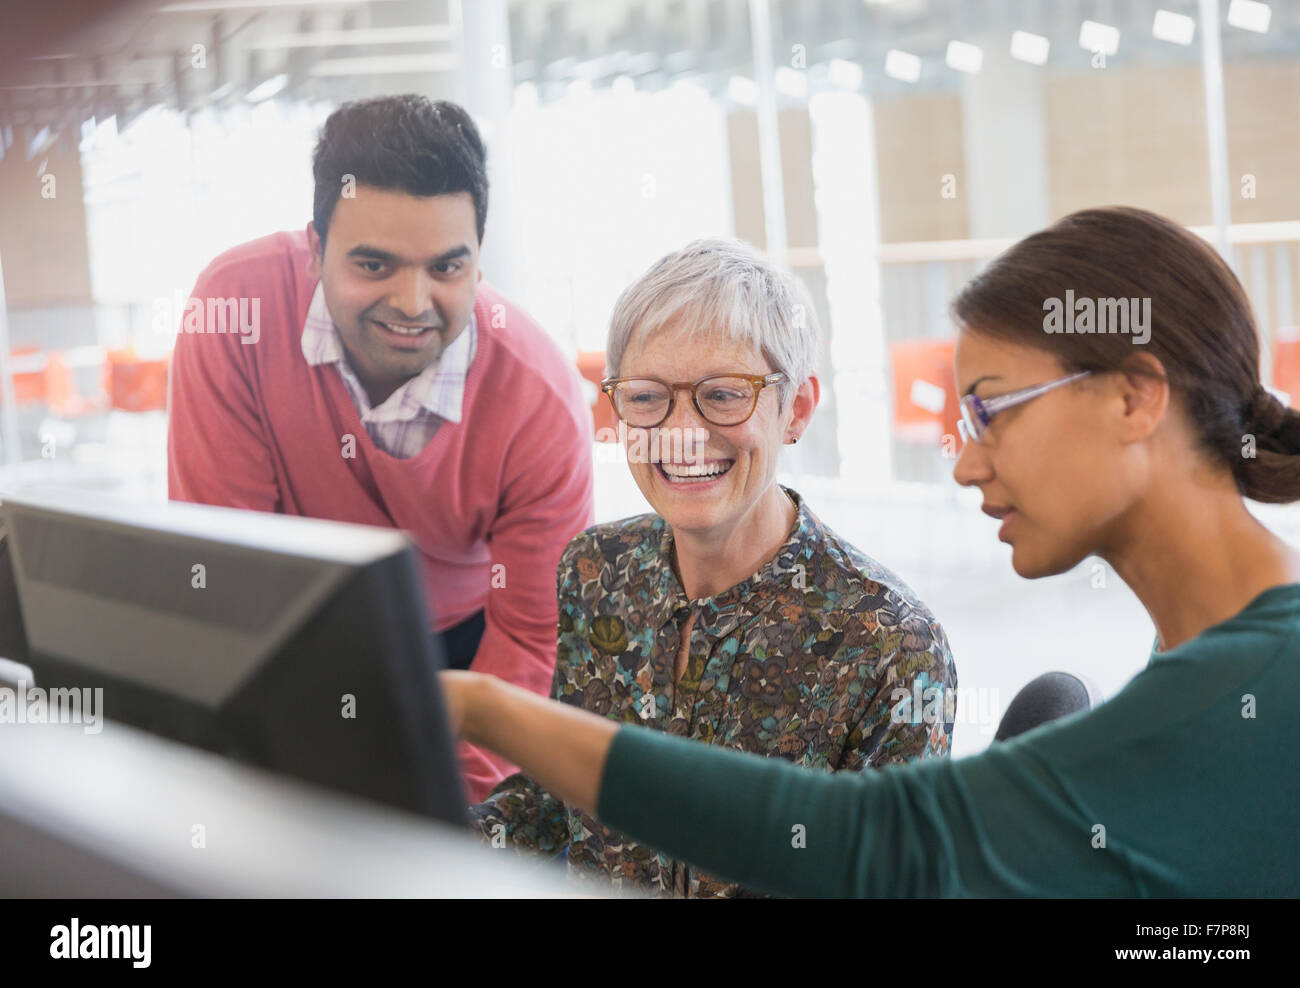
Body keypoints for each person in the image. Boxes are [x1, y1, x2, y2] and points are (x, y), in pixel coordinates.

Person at [442, 206, 1300, 896]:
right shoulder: (1196, 666)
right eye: (647, 399)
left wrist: (485, 708)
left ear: (1134, 400)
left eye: (993, 411)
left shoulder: (1242, 686)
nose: (963, 461)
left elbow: (875, 842)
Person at [470, 239, 957, 897]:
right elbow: (560, 801)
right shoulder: (596, 570)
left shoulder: (891, 643)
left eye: (723, 395)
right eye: (647, 398)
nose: (681, 432)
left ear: (798, 411)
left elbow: (889, 883)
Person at [167, 95, 594, 801]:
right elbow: (227, 571)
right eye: (374, 265)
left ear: (479, 262)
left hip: (466, 646)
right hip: (290, 626)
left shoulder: (538, 399)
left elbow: (530, 641)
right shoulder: (232, 310)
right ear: (314, 249)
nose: (412, 303)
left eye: (446, 269)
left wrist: (449, 819)